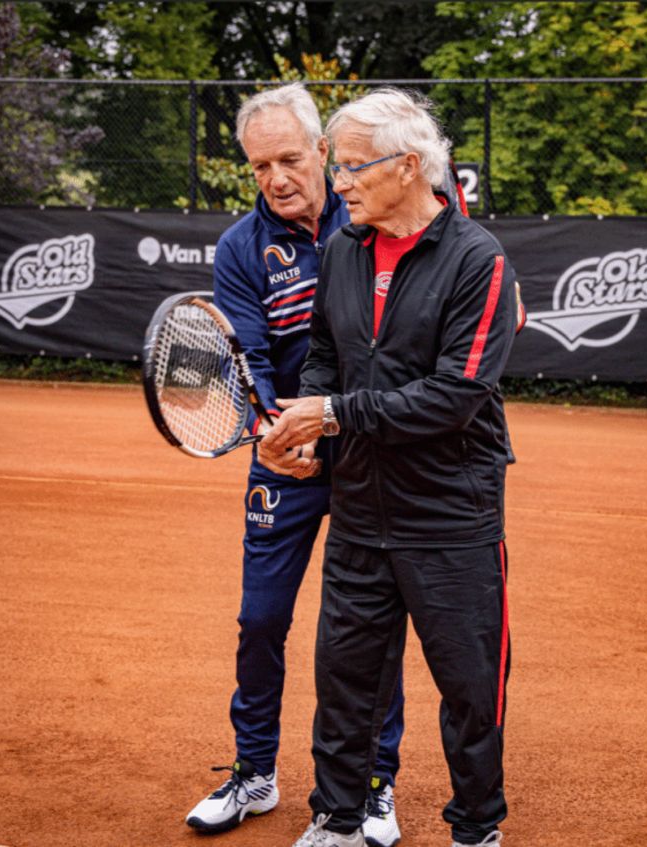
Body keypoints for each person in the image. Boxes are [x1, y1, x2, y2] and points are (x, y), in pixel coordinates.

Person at [258, 88, 519, 847]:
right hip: (361, 508)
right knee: (345, 678)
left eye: (350, 166)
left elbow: (458, 395)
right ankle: (337, 820)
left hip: (452, 515)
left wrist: (335, 415)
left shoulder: (478, 258)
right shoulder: (344, 248)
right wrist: (308, 429)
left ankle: (476, 828)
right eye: (337, 166)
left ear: (408, 167)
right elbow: (327, 358)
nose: (336, 182)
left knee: (472, 688)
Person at [185, 83, 405, 847]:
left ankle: (375, 786)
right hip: (286, 450)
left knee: (370, 626)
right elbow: (245, 361)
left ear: (321, 152)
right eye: (258, 166)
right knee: (261, 618)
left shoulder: (377, 210)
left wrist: (336, 421)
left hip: (375, 449)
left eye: (288, 158)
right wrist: (280, 431)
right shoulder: (243, 248)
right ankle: (254, 770)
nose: (275, 177)